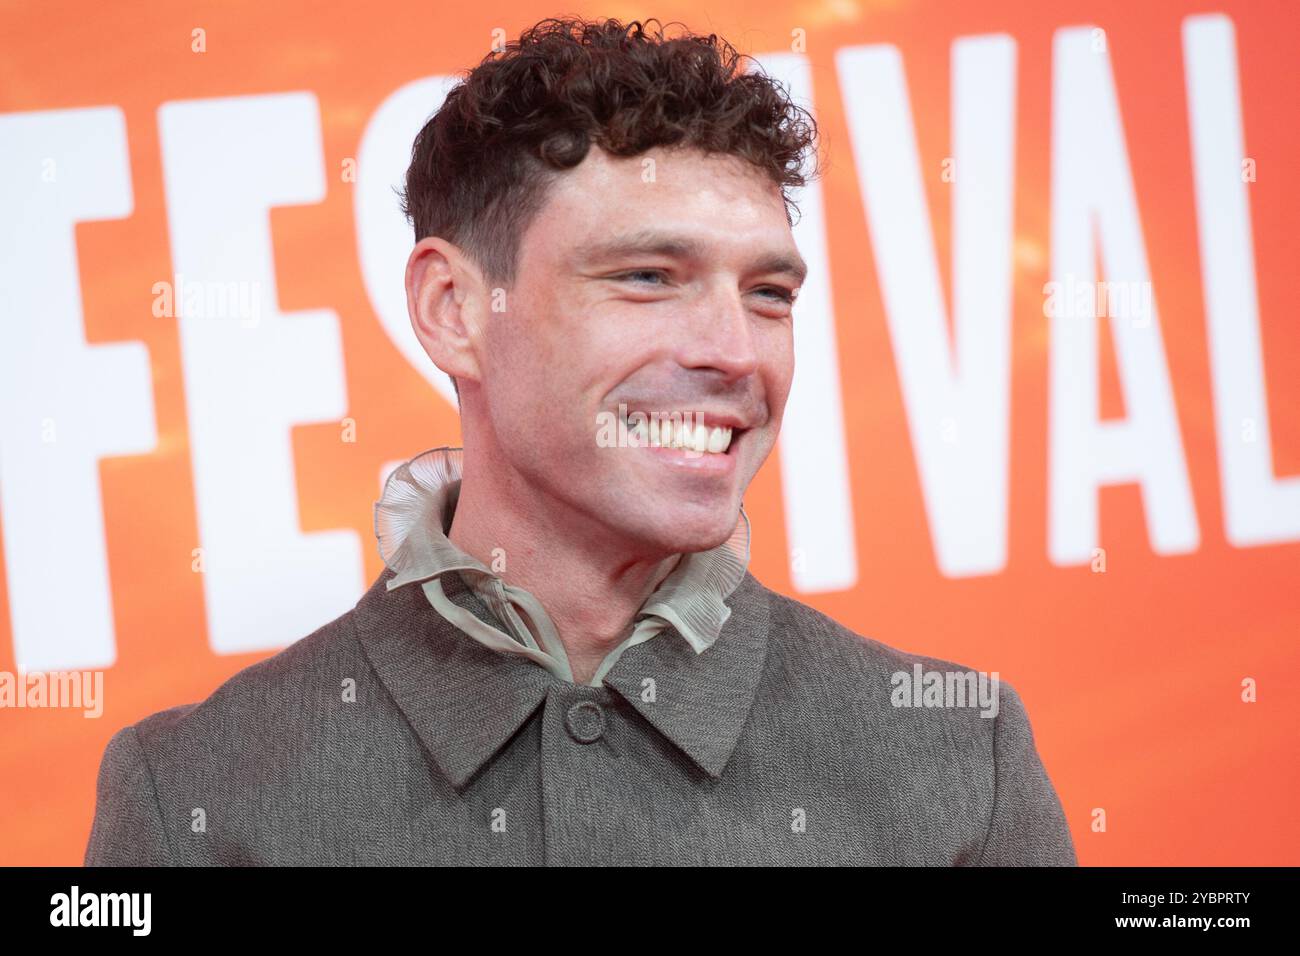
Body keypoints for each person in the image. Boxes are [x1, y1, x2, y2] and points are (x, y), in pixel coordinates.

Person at [85, 16, 1075, 865]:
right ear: (452, 308)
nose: (736, 353)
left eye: (768, 294)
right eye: (648, 276)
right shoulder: (193, 797)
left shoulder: (959, 759)